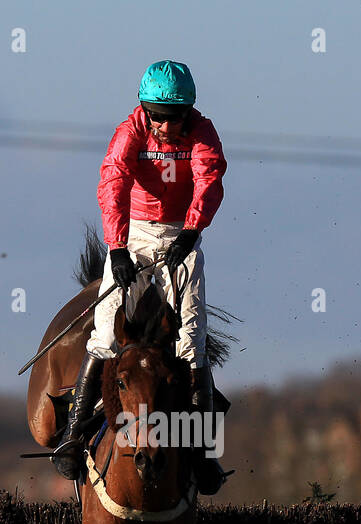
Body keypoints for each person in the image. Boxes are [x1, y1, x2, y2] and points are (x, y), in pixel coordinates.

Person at [53, 59, 228, 493]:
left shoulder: (203, 133)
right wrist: (116, 247)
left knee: (191, 341)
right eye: (156, 115)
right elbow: (112, 182)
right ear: (143, 109)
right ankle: (74, 436)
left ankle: (204, 450)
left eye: (173, 116)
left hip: (181, 237)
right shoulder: (130, 130)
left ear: (189, 111)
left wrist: (191, 231)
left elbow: (209, 178)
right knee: (108, 334)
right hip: (134, 234)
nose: (165, 125)